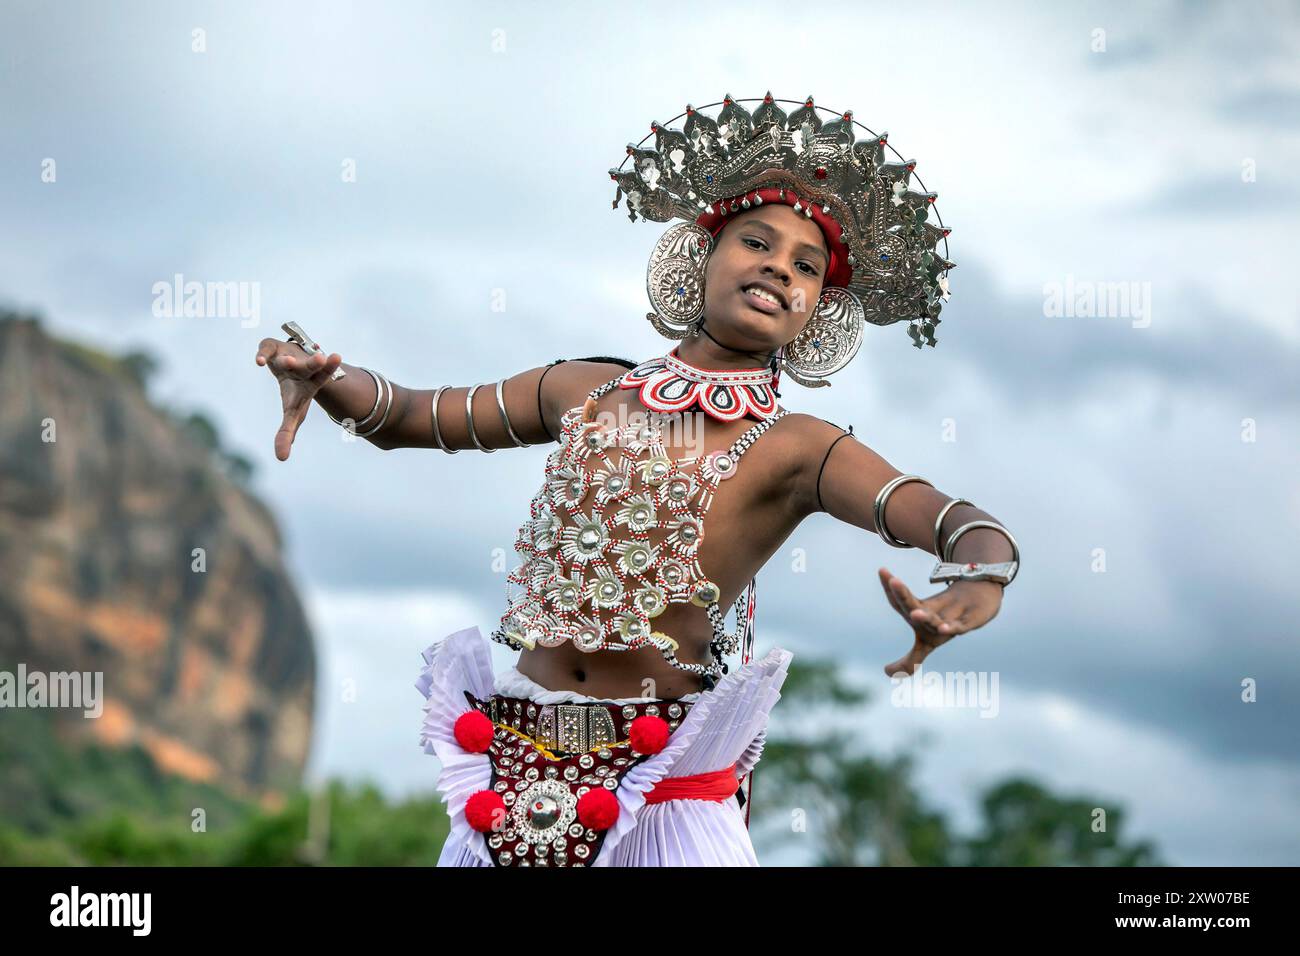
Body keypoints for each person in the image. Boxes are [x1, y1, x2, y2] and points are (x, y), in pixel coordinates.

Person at [254, 93, 1019, 867]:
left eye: (806, 266)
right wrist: (327, 377)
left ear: (817, 311)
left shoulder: (798, 449)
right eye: (756, 241)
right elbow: (411, 417)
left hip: (668, 807)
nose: (778, 267)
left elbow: (953, 521)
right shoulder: (585, 387)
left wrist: (978, 580)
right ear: (701, 256)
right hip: (512, 781)